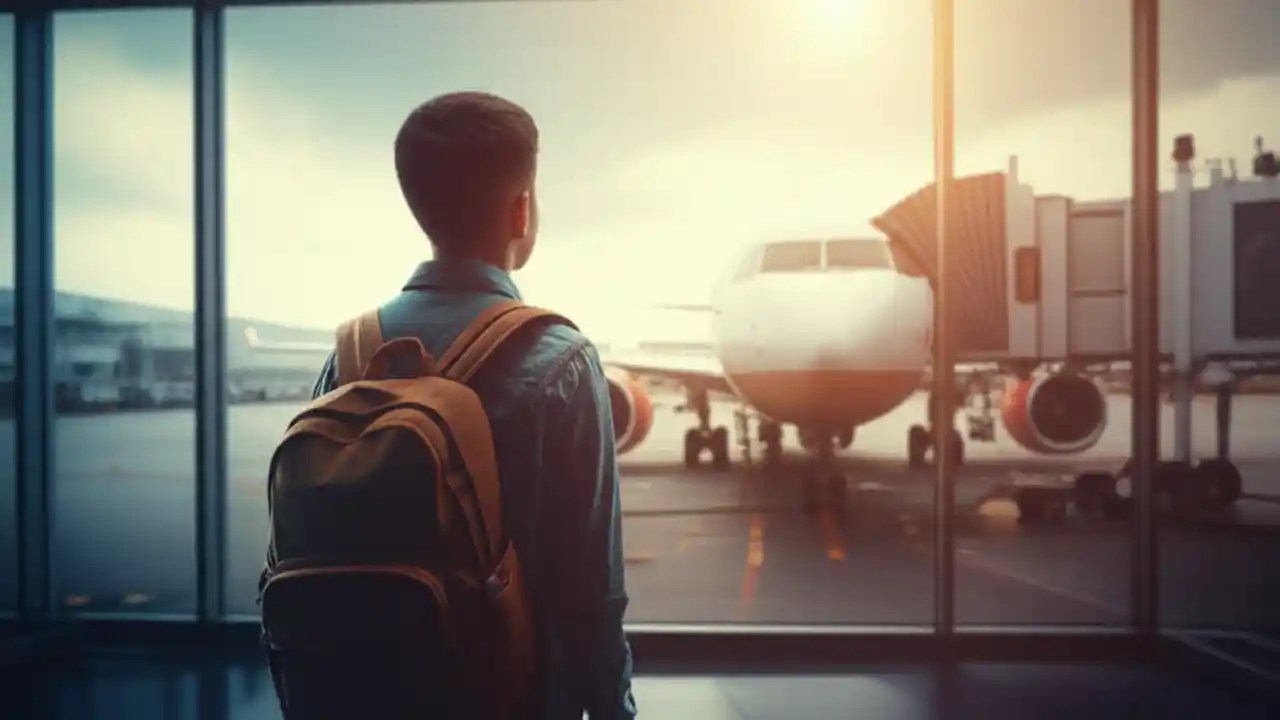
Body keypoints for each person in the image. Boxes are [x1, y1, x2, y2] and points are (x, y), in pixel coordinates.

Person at [310, 91, 637, 719]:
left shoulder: (348, 355)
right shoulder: (560, 360)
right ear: (522, 211)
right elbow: (592, 593)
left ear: (418, 207)